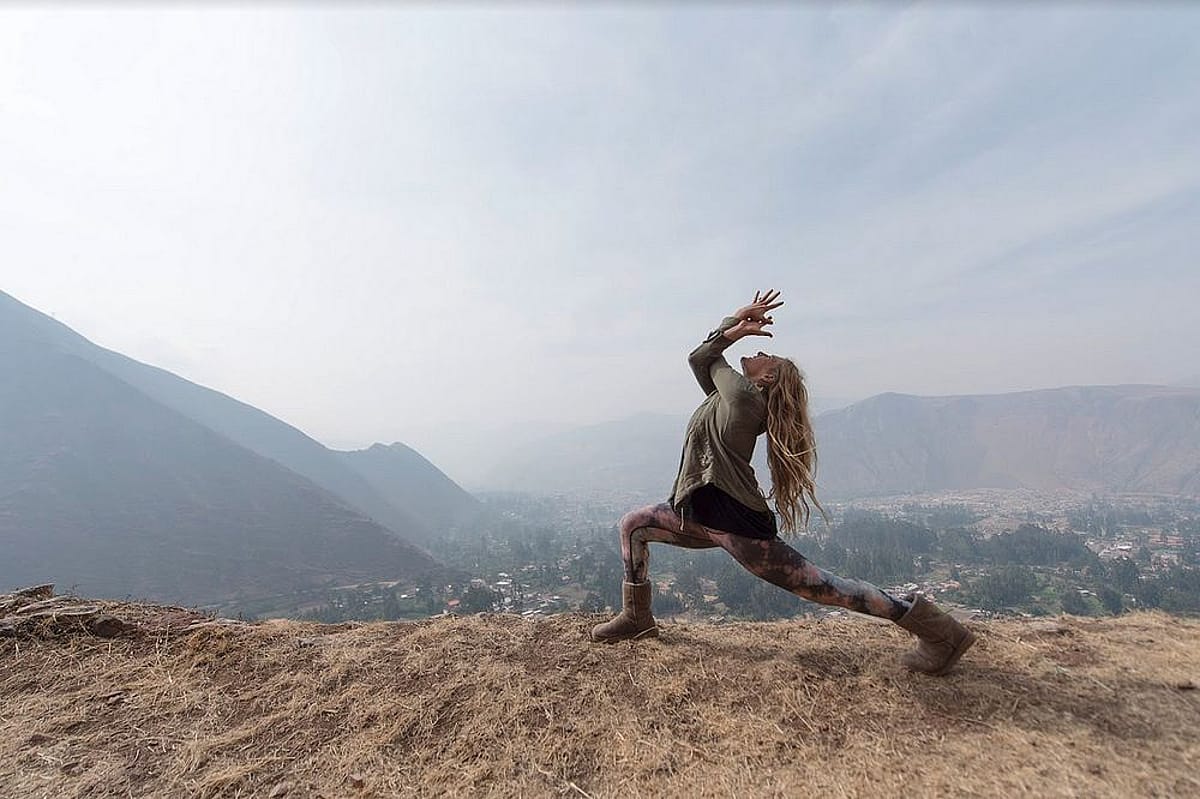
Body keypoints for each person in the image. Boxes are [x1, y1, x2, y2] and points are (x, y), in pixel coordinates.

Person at [591, 290, 976, 676]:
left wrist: (737, 331)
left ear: (768, 376)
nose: (759, 353)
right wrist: (734, 321)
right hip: (696, 509)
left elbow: (702, 357)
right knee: (633, 526)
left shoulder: (742, 398)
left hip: (734, 521)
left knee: (825, 587)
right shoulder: (727, 399)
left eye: (766, 357)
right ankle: (637, 618)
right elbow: (701, 361)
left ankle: (940, 631)